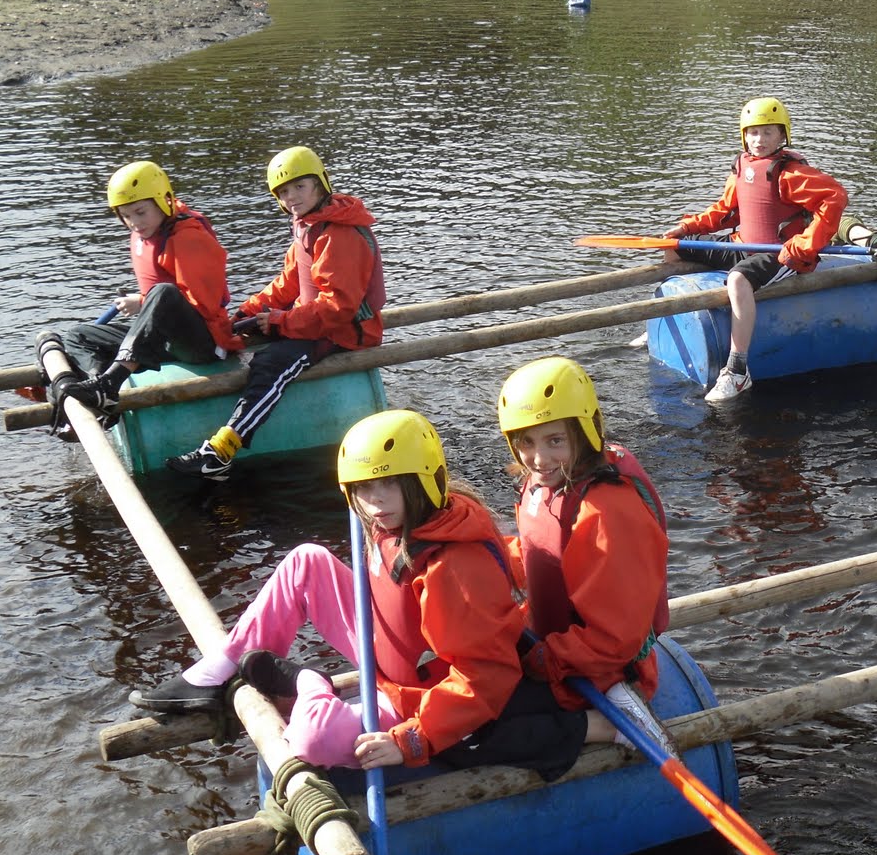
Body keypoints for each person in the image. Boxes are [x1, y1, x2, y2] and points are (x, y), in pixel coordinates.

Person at [131, 409, 613, 779]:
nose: (374, 502)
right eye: (362, 488)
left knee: (312, 740)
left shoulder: (453, 567)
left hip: (418, 692)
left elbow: (483, 680)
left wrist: (412, 740)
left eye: (388, 485)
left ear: (424, 481)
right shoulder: (398, 520)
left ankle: (305, 681)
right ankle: (220, 668)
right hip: (388, 649)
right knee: (306, 561)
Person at [168, 146, 386, 480]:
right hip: (315, 320)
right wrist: (248, 311)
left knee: (271, 363)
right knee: (248, 329)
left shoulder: (339, 234)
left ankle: (221, 452)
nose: (292, 197)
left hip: (344, 333)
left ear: (320, 185)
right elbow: (288, 283)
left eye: (300, 186)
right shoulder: (309, 225)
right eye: (283, 192)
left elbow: (338, 308)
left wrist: (281, 322)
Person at [496, 356, 673, 745]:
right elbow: (539, 554)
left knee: (484, 728)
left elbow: (614, 637)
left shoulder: (606, 511)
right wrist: (490, 567)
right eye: (526, 442)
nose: (539, 459)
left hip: (597, 672)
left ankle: (614, 724)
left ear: (585, 432)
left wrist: (547, 660)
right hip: (553, 644)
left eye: (555, 440)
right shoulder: (544, 483)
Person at [663, 97, 848, 403]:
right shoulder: (742, 166)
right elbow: (725, 210)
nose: (759, 140)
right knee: (675, 247)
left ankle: (738, 371)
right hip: (744, 244)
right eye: (753, 132)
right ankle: (668, 320)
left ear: (782, 135)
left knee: (738, 279)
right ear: (743, 135)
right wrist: (687, 227)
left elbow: (835, 197)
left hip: (781, 254)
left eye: (768, 132)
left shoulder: (789, 173)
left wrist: (804, 244)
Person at [40, 160, 241, 425]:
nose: (134, 223)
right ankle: (100, 391)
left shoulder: (189, 237)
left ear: (163, 201)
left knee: (164, 292)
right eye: (126, 215)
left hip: (204, 344)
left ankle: (111, 382)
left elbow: (205, 303)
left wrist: (144, 301)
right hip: (164, 339)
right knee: (77, 336)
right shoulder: (146, 234)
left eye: (141, 212)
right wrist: (146, 301)